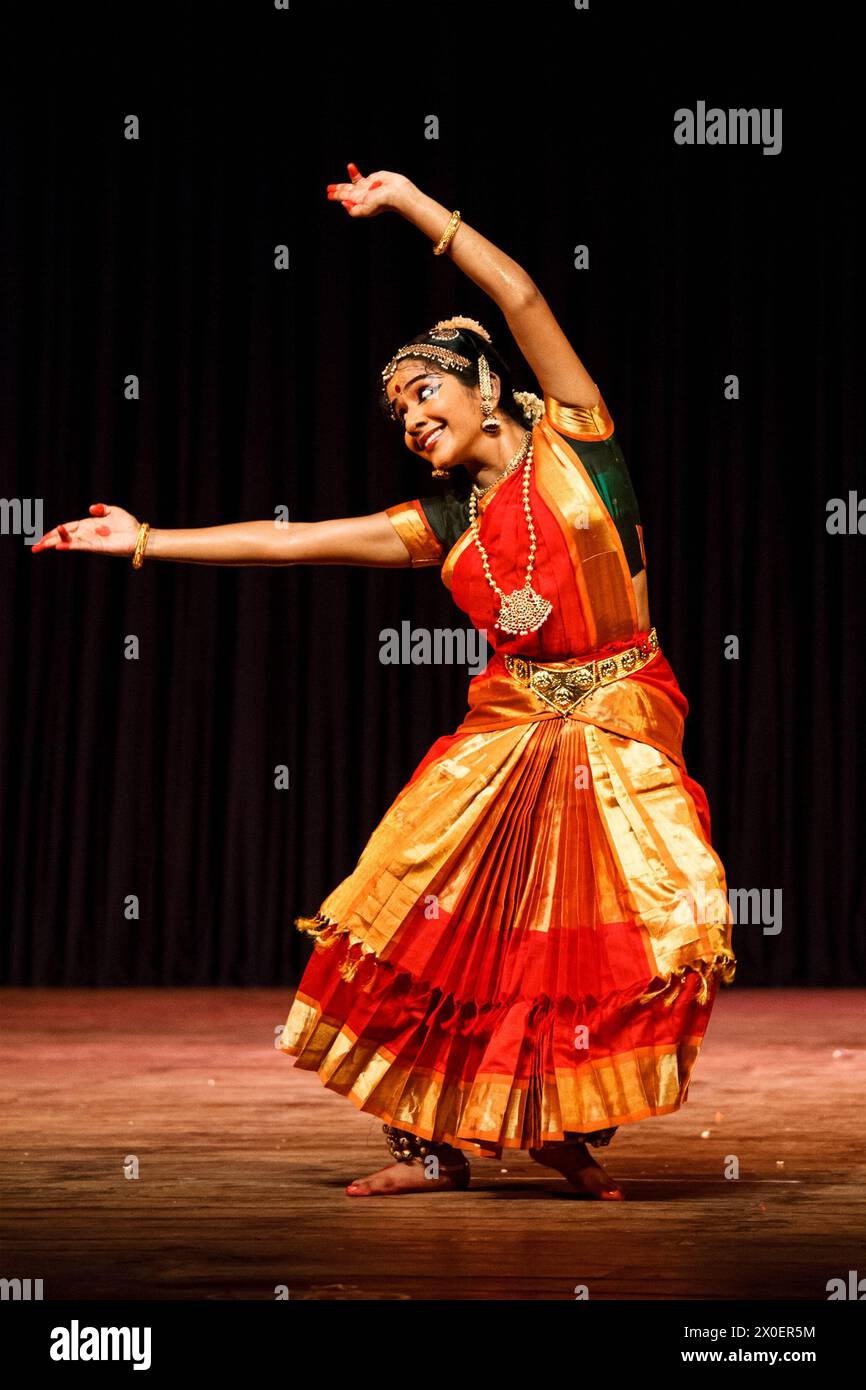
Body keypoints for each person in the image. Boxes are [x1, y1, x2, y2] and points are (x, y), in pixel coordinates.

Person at [33, 163, 736, 1202]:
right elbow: (292, 544)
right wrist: (144, 541)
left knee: (631, 931)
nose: (408, 418)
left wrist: (409, 206)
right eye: (395, 410)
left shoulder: (578, 438)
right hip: (504, 734)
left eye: (423, 391)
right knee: (435, 923)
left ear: (483, 382)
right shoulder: (441, 524)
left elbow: (524, 297)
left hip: (621, 719)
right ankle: (433, 1145)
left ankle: (556, 1125)